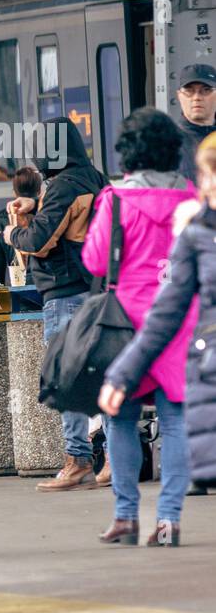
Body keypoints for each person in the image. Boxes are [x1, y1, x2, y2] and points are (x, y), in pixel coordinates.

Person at [84, 110, 198, 545]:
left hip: (124, 326)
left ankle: (126, 517)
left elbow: (95, 261)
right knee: (176, 422)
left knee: (120, 419)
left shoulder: (114, 201)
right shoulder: (190, 199)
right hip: (179, 323)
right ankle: (168, 520)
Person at [5, 116, 107, 491]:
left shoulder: (62, 185)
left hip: (65, 291)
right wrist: (36, 203)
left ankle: (77, 458)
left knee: (68, 379)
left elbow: (39, 241)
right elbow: (75, 220)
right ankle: (111, 457)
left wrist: (12, 231)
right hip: (95, 289)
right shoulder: (94, 177)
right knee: (100, 374)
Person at [0, 166, 42, 286]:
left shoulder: (5, 219)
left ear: (14, 192)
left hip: (21, 289)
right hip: (48, 288)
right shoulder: (47, 215)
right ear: (39, 192)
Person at [173, 64, 216, 184]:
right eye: (189, 90)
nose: (196, 97)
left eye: (206, 90)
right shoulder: (169, 143)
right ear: (179, 96)